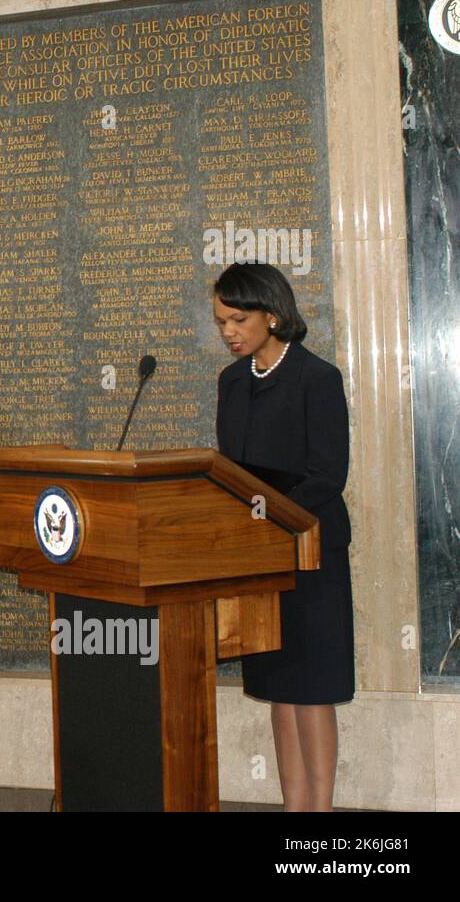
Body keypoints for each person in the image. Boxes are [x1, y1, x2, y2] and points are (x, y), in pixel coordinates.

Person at [213, 260, 354, 813]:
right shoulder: (231, 382)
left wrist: (265, 505)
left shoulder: (317, 379)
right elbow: (231, 468)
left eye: (237, 319)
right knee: (277, 685)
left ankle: (318, 820)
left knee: (311, 689)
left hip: (311, 550)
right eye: (221, 320)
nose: (228, 331)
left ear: (272, 315)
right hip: (260, 553)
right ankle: (293, 811)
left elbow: (328, 475)